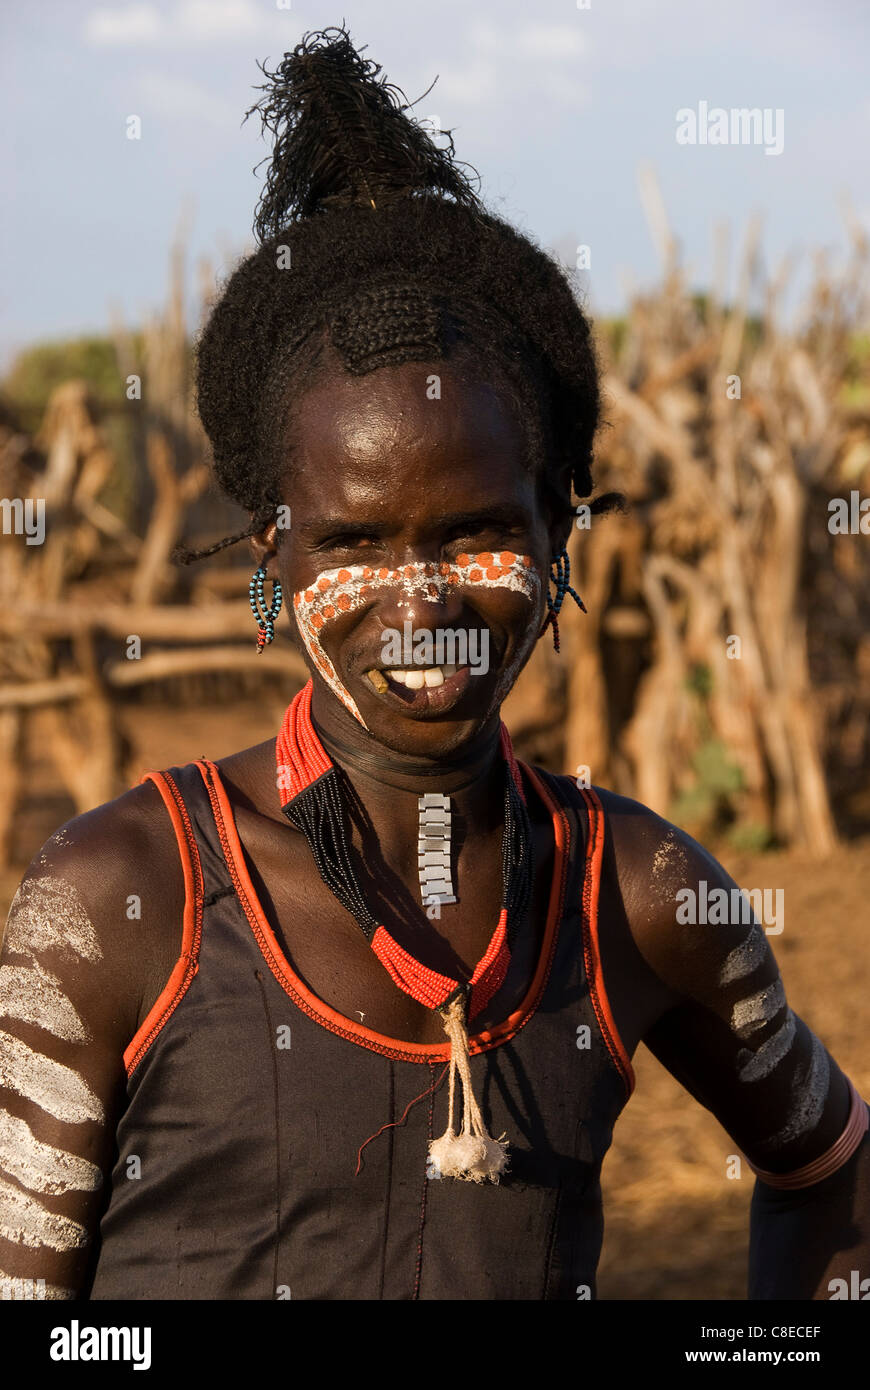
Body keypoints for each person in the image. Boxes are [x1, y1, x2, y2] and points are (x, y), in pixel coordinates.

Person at [1, 25, 867, 1302]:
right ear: (271, 557)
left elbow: (827, 1171)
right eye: (356, 540)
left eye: (474, 531)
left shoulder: (633, 893)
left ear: (558, 534)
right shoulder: (121, 901)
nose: (422, 599)